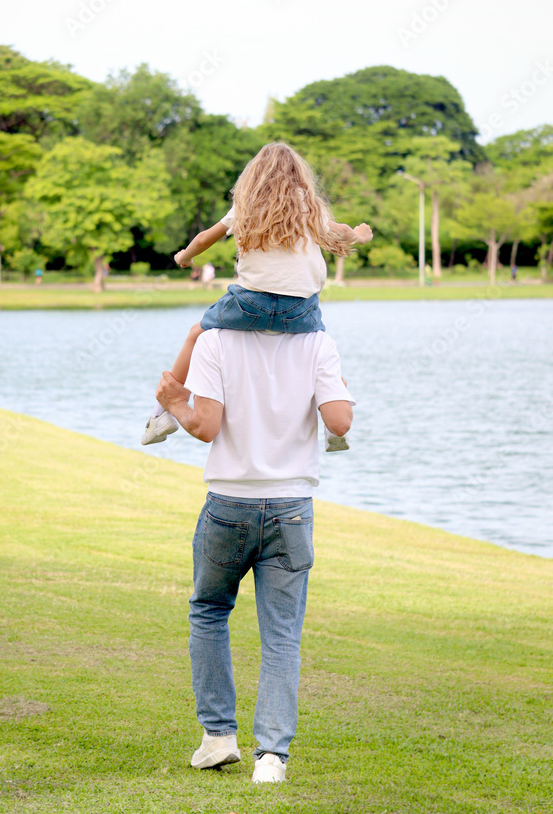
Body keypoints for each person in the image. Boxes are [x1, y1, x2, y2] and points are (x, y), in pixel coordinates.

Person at [155, 322, 355, 783]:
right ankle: (272, 759)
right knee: (282, 634)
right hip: (292, 508)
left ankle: (219, 738)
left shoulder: (214, 341)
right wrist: (338, 391)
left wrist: (174, 404)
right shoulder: (317, 342)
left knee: (208, 612)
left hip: (229, 503)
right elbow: (340, 423)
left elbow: (204, 427)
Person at [141, 141, 372, 447]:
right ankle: (332, 424)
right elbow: (341, 231)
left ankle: (160, 415)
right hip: (301, 311)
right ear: (299, 176)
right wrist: (360, 235)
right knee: (320, 350)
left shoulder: (245, 206)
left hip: (249, 304)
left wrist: (184, 256)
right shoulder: (309, 207)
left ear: (254, 176)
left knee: (196, 333)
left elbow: (203, 238)